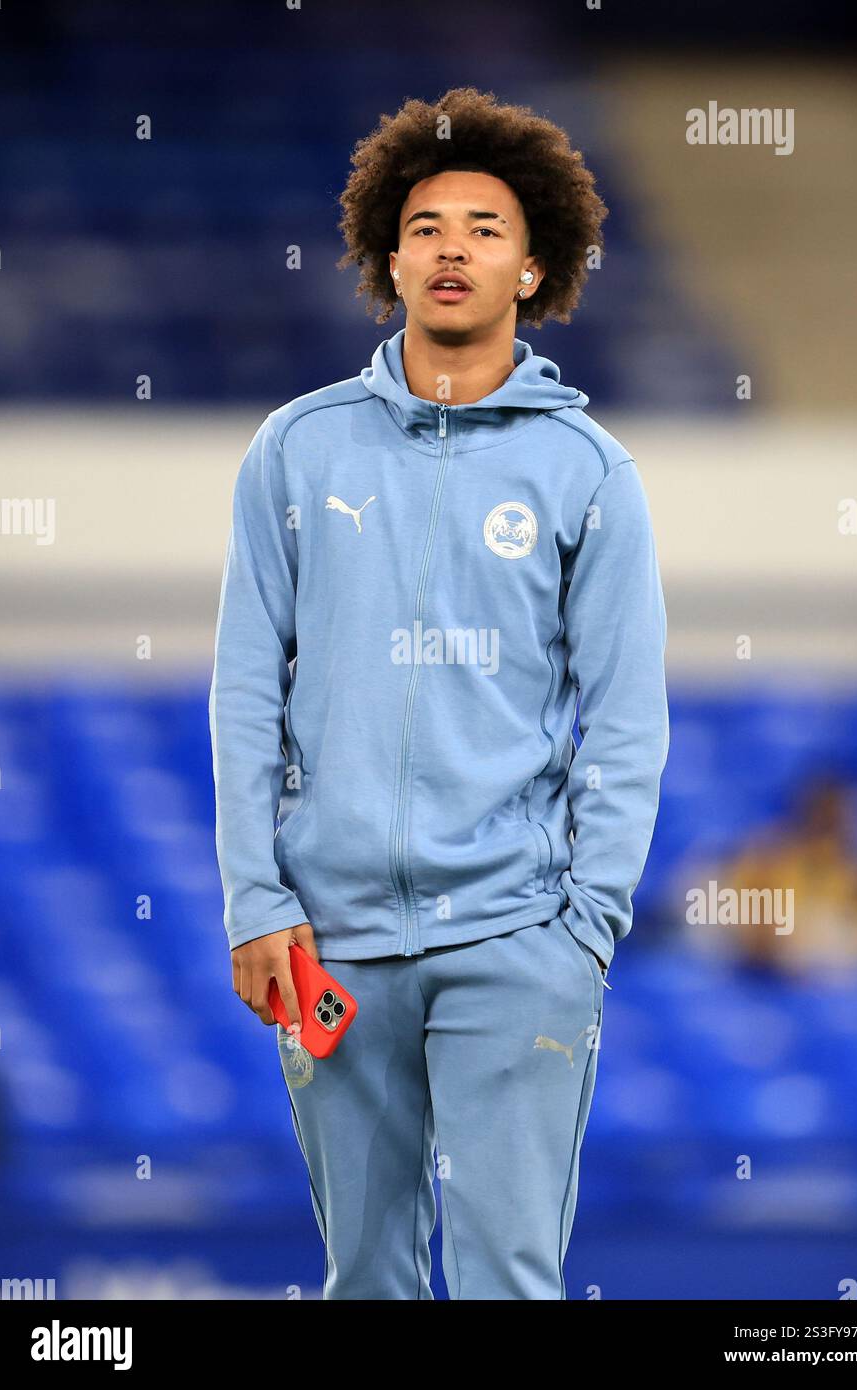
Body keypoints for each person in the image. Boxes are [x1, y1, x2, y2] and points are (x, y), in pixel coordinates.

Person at [209, 86, 669, 1299]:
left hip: (519, 942)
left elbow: (626, 719)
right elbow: (244, 688)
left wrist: (585, 929)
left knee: (507, 1278)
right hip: (329, 950)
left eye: (483, 226)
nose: (450, 246)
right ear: (386, 258)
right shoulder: (296, 450)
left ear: (533, 268)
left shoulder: (588, 472)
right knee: (363, 1278)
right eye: (423, 226)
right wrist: (258, 900)